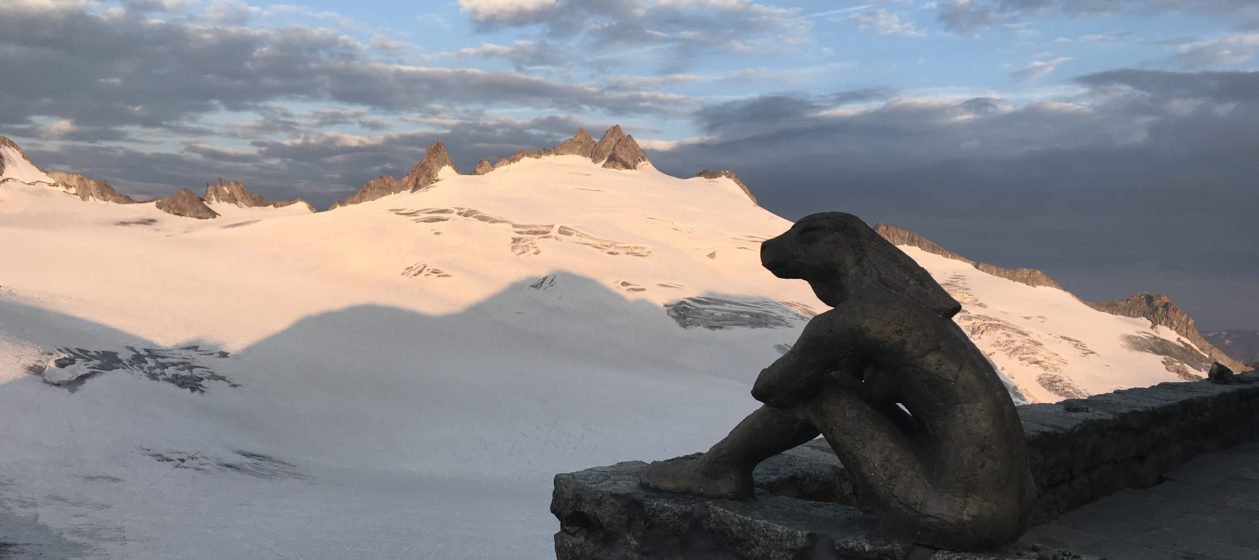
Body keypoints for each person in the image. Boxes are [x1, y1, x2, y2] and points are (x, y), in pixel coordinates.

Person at [640, 212, 1035, 551]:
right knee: (834, 386)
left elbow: (773, 389)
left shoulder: (854, 320)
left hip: (956, 513)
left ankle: (716, 473)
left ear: (846, 249)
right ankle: (716, 471)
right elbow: (880, 392)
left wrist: (815, 363)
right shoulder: (912, 312)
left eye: (809, 236)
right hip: (1015, 509)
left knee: (815, 392)